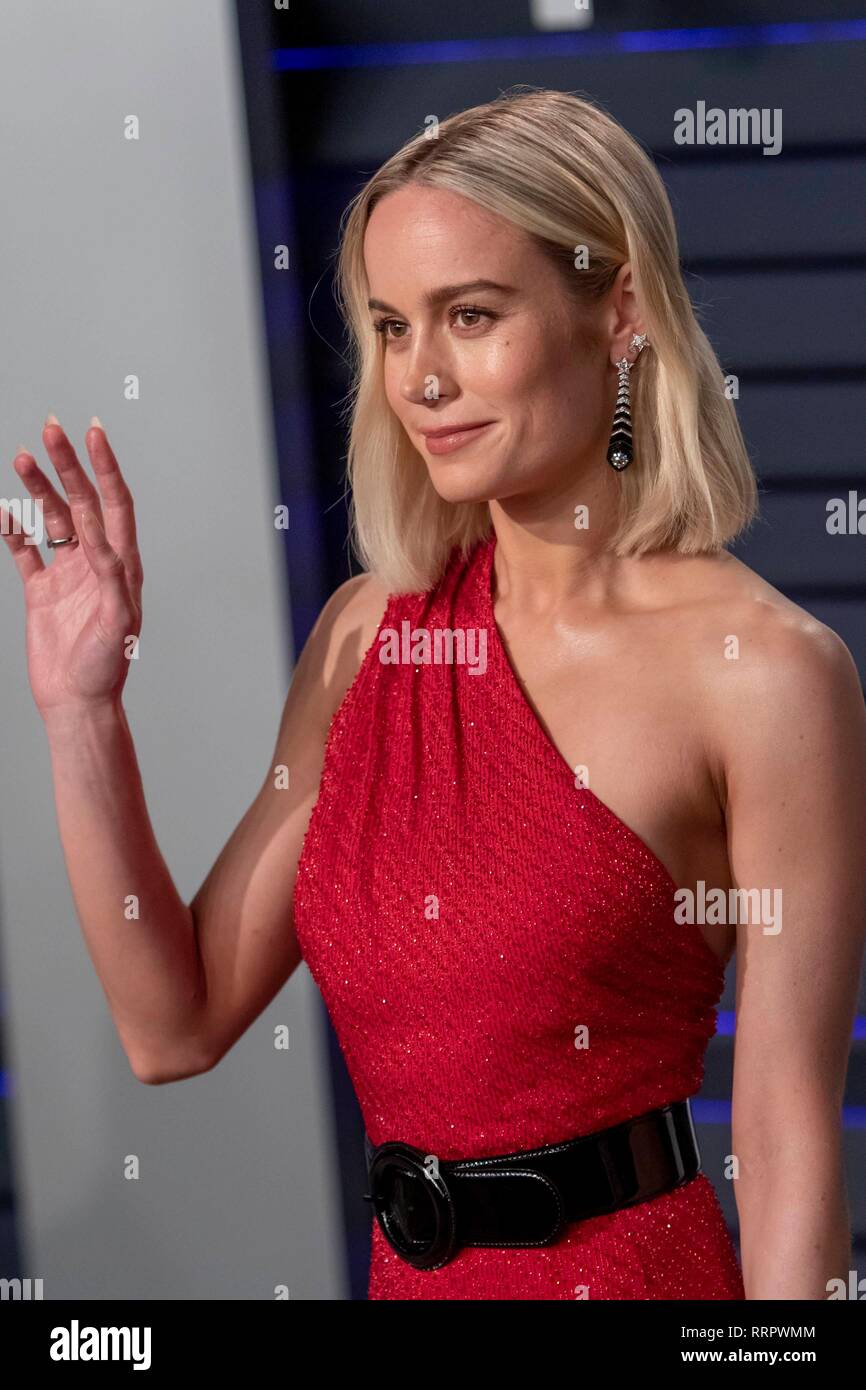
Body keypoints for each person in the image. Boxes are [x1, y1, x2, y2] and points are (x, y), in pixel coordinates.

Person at [3, 86, 865, 1301]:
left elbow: (782, 1149)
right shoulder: (367, 641)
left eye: (469, 316)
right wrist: (81, 712)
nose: (421, 379)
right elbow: (173, 1022)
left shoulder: (768, 675)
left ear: (616, 310)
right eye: (393, 328)